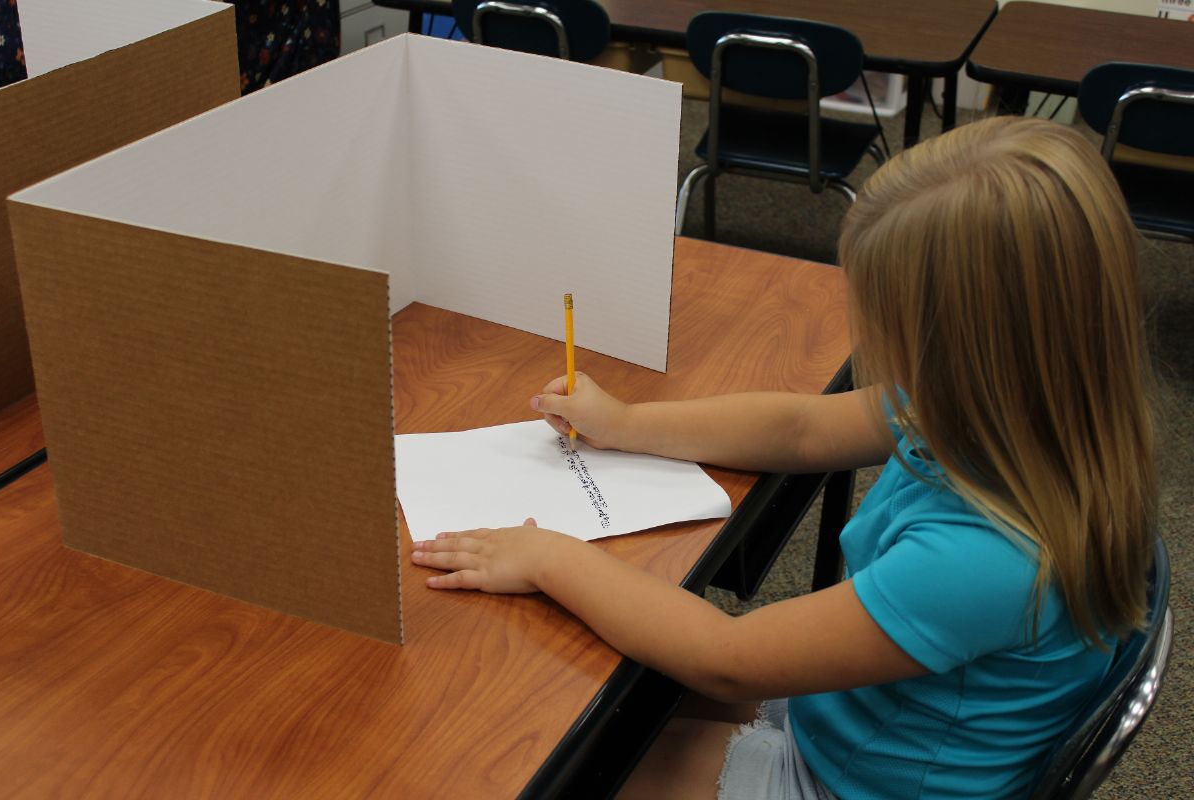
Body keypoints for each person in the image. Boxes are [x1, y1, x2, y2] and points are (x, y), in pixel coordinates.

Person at [410, 116, 1157, 799]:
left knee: (551, 760)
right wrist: (628, 422)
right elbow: (803, 429)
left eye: (886, 326)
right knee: (605, 693)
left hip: (845, 782)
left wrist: (549, 557)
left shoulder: (988, 559)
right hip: (861, 721)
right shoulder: (1027, 414)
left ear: (964, 353)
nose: (871, 347)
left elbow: (725, 655)